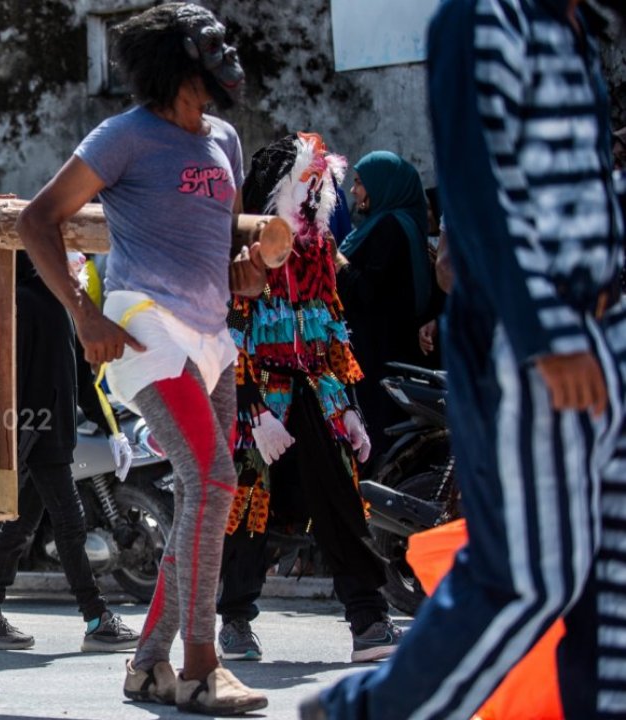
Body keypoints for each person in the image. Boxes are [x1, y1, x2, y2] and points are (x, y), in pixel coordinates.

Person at [302, 1, 626, 718]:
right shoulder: (485, 22)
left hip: (593, 342)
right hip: (532, 346)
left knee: (606, 583)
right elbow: (481, 193)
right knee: (525, 577)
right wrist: (549, 334)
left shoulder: (574, 29)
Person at [16, 4, 266, 714]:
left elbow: (219, 249)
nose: (226, 57)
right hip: (141, 325)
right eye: (210, 45)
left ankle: (147, 664)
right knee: (213, 480)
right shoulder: (124, 135)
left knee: (203, 494)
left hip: (212, 336)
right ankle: (201, 667)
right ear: (176, 60)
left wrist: (246, 275)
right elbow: (38, 219)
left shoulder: (225, 141)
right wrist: (83, 313)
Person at [216, 134, 397, 666]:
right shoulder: (243, 251)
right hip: (259, 396)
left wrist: (350, 409)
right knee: (247, 506)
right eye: (305, 185)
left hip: (317, 391)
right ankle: (234, 619)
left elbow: (334, 331)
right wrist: (253, 411)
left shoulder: (321, 250)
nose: (315, 196)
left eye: (321, 186)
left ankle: (368, 617)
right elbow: (228, 338)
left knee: (343, 498)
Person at [0, 248, 139, 652]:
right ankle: (97, 618)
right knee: (70, 525)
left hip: (51, 436)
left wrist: (112, 430)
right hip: (36, 437)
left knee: (19, 527)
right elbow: (10, 379)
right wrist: (14, 441)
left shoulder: (58, 301)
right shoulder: (23, 301)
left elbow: (82, 377)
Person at [334, 150, 434, 460]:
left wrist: (337, 261)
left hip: (378, 351)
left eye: (360, 182)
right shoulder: (397, 223)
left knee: (377, 434)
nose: (354, 191)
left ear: (382, 185)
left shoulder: (389, 227)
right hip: (388, 347)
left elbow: (367, 291)